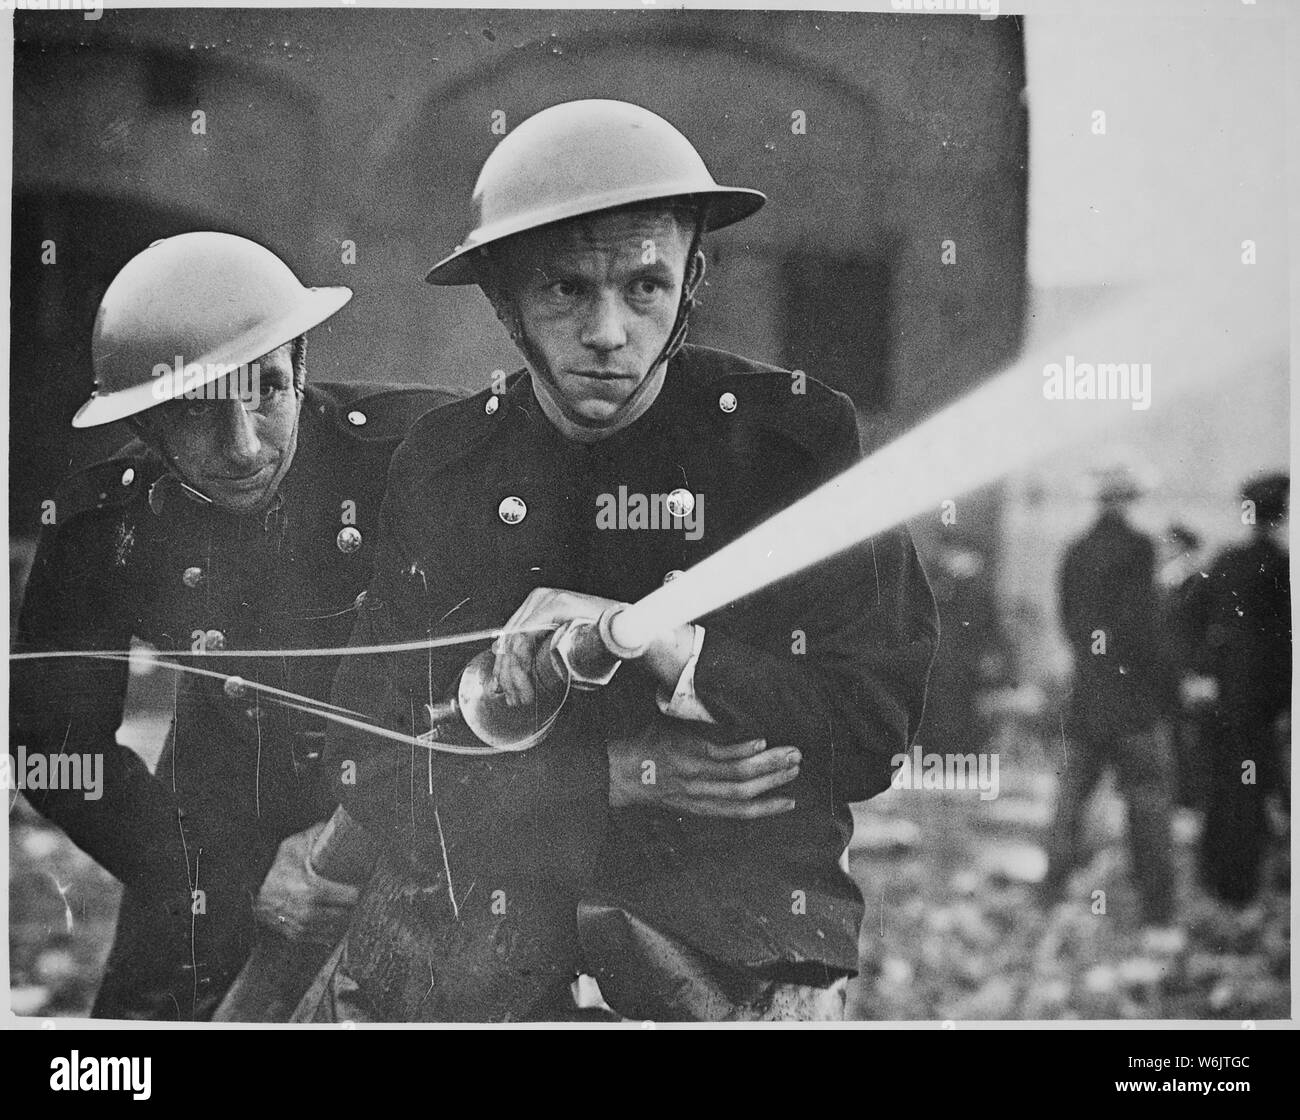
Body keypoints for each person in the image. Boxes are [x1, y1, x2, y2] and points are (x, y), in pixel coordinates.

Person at [11, 231, 797, 1021]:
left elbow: (581, 630)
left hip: (442, 806)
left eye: (269, 391)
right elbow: (53, 748)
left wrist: (601, 771)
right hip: (218, 825)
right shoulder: (102, 525)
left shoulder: (423, 452)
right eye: (195, 414)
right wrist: (230, 874)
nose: (244, 444)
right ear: (146, 425)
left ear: (303, 366)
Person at [307, 99, 938, 1022]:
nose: (608, 331)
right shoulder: (446, 469)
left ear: (692, 280)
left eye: (644, 285)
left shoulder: (792, 445)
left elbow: (872, 727)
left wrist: (675, 651)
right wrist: (614, 775)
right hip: (486, 924)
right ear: (504, 298)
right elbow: (371, 758)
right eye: (567, 288)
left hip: (734, 930)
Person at [1042, 462, 1177, 926]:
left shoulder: (1076, 551)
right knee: (1147, 801)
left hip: (1088, 697)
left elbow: (1068, 624)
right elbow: (1147, 630)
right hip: (1133, 700)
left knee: (1071, 799)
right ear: (1129, 500)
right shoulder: (1142, 551)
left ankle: (1052, 890)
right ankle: (1156, 906)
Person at [1184, 473, 1290, 906]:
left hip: (1225, 699)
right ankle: (1239, 886)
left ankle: (1213, 877)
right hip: (1261, 702)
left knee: (1223, 785)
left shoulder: (1227, 560)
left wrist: (1204, 671)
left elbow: (1190, 617)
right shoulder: (1283, 567)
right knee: (1252, 786)